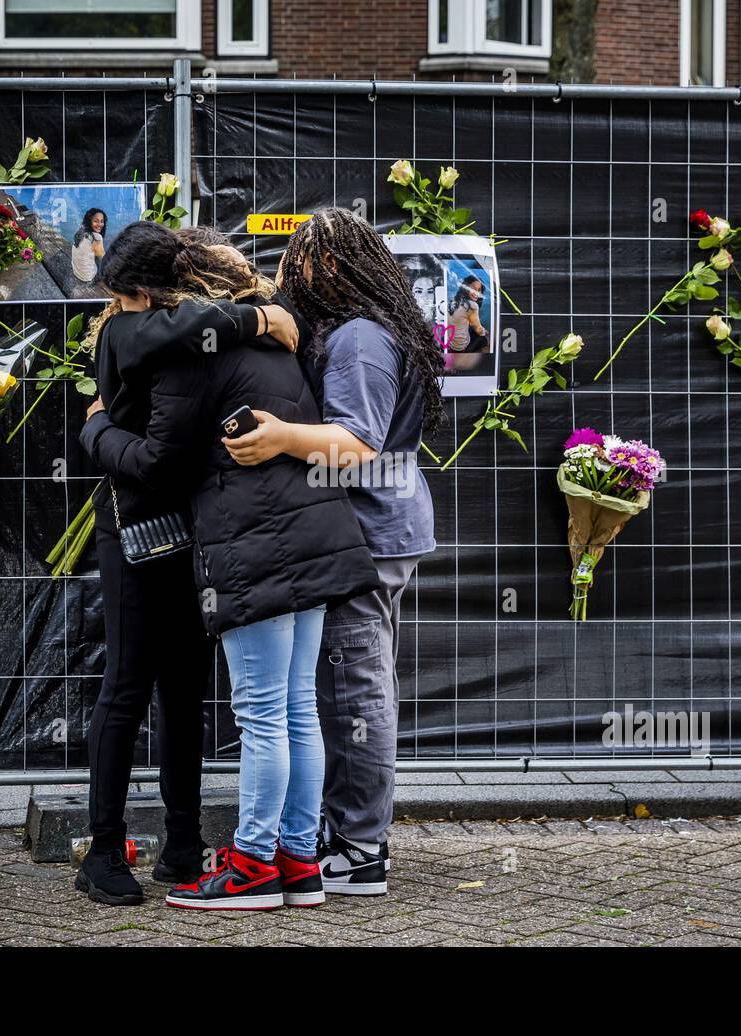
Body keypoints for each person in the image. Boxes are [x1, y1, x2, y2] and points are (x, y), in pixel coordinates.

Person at [80, 221, 380, 910]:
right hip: (311, 536)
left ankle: (248, 868)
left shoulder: (197, 352)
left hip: (254, 542)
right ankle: (298, 861)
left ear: (161, 296)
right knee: (297, 709)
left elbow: (161, 459)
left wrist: (95, 426)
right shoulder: (275, 342)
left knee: (264, 714)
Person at [222, 207, 442, 895]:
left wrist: (280, 438)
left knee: (354, 689)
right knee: (355, 683)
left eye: (297, 259)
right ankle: (349, 837)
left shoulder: (356, 340)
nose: (286, 271)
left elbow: (355, 443)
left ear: (328, 267)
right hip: (380, 528)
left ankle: (358, 849)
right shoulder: (368, 329)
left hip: (368, 534)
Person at [446, 275, 489, 352]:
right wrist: (483, 331)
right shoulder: (473, 306)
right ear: (466, 288)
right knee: (484, 339)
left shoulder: (454, 300)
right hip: (460, 347)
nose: (476, 293)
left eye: (479, 290)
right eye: (473, 288)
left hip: (450, 343)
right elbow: (479, 330)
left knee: (471, 325)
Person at [71, 208, 107, 283]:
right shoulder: (97, 238)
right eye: (96, 221)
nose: (100, 224)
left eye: (102, 221)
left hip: (76, 273)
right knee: (102, 260)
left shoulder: (80, 232)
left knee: (93, 252)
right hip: (88, 278)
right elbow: (104, 260)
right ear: (89, 221)